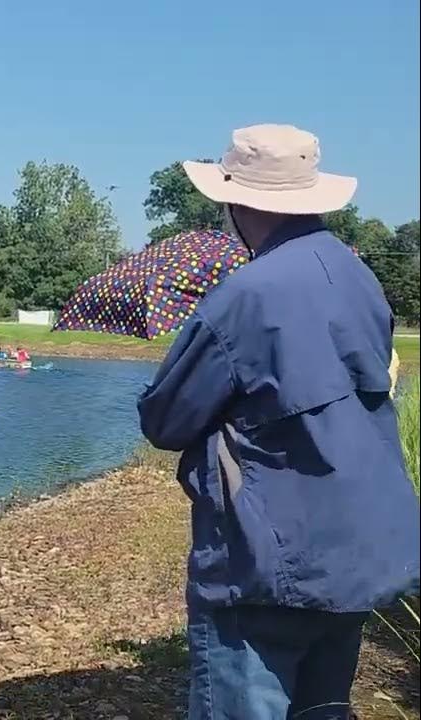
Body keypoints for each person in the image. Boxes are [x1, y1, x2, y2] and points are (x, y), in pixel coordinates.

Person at [137, 124, 419, 719]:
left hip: (268, 557)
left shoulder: (246, 294)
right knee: (323, 707)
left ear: (236, 202)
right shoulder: (359, 278)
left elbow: (166, 421)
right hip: (355, 542)